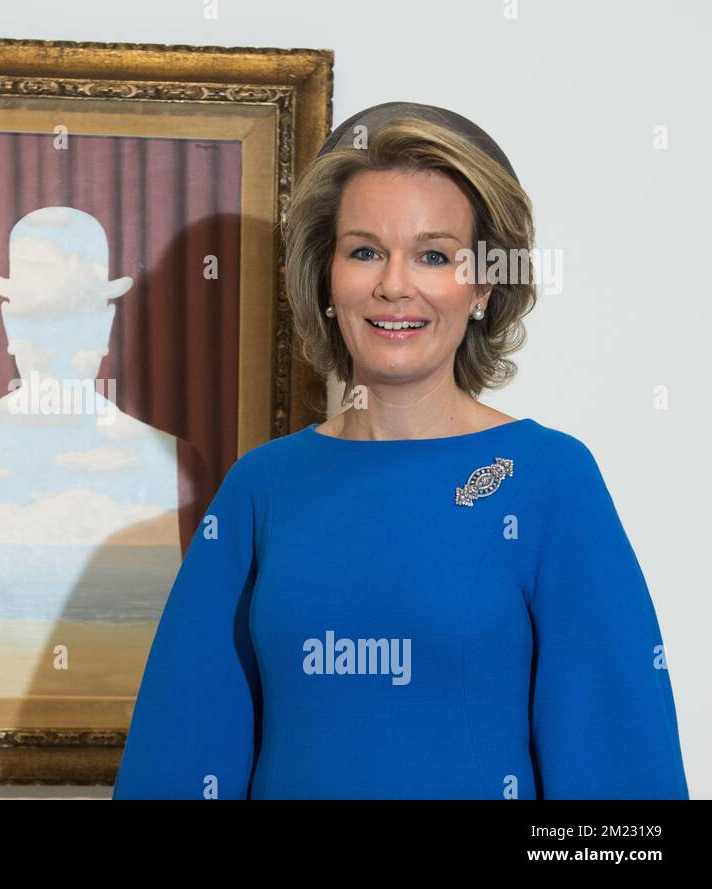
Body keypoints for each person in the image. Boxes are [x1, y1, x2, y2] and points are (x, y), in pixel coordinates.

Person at [112, 103, 689, 799]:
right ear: (328, 280)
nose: (393, 284)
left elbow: (621, 786)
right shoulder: (261, 489)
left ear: (481, 285)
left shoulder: (550, 479)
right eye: (364, 251)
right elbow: (177, 759)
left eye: (433, 255)